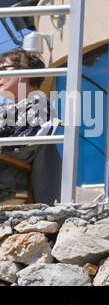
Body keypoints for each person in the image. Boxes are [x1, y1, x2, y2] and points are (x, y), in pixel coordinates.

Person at [0, 50, 50, 202]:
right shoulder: (10, 109)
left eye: (4, 69)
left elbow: (21, 146)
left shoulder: (37, 105)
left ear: (24, 73)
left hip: (9, 173)